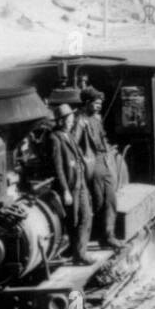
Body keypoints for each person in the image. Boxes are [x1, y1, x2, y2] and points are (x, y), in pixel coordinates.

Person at [71, 87, 123, 251]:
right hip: (93, 163)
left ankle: (108, 235)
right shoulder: (79, 120)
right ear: (86, 103)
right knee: (101, 201)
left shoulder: (96, 118)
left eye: (100, 103)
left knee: (111, 199)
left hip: (104, 160)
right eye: (96, 103)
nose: (99, 106)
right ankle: (104, 237)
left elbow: (102, 137)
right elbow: (73, 143)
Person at [47, 103, 93, 265]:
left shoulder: (69, 135)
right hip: (70, 186)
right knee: (74, 220)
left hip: (80, 183)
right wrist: (65, 190)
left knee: (86, 216)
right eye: (69, 119)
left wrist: (83, 159)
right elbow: (58, 167)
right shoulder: (55, 138)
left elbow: (77, 153)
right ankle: (76, 253)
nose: (71, 122)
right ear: (61, 121)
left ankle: (79, 253)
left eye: (72, 119)